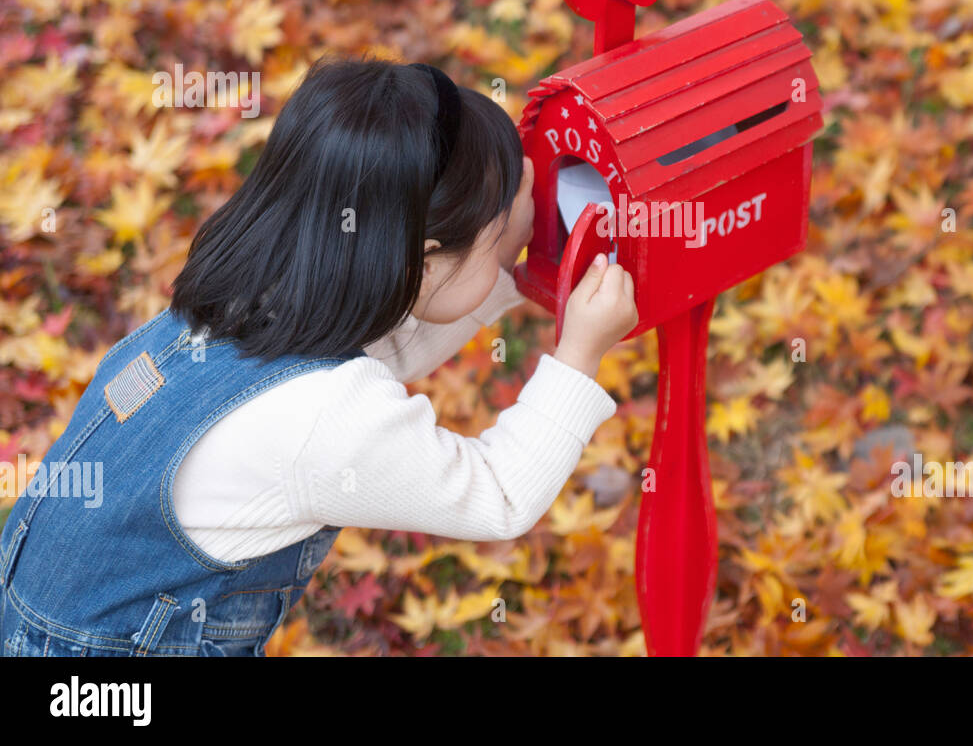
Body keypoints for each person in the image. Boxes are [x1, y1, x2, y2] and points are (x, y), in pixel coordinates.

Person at [0, 55, 637, 656]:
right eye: (505, 233)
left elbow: (390, 338)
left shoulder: (251, 296)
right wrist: (578, 352)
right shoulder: (326, 418)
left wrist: (508, 279)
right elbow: (499, 494)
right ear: (419, 259)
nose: (522, 230)